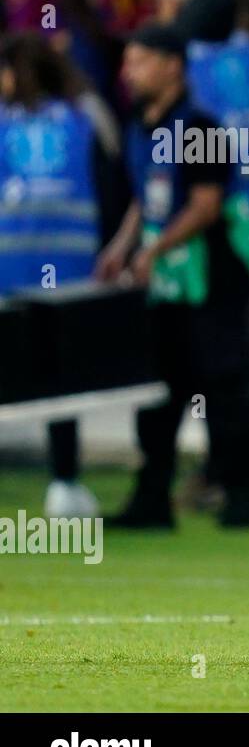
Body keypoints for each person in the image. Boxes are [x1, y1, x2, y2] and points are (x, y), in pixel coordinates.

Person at [95, 23, 249, 528]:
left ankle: (244, 495)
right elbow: (145, 197)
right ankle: (151, 500)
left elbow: (207, 206)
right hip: (164, 282)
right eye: (127, 62)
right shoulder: (140, 125)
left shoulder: (201, 129)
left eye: (139, 61)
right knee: (157, 391)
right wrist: (122, 245)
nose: (128, 72)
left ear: (172, 66)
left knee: (221, 387)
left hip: (210, 277)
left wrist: (156, 247)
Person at [0, 33, 117, 518]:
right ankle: (64, 484)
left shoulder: (4, 124)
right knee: (59, 384)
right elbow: (113, 185)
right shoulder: (84, 119)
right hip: (71, 275)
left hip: (10, 270)